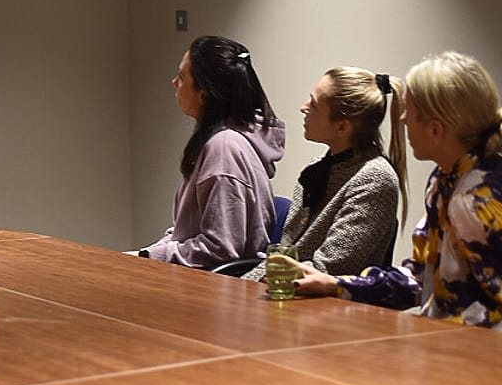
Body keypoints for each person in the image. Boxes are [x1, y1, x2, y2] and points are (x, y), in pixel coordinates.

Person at [291, 52, 502, 328]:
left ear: (435, 130)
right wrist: (336, 284)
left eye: (409, 113)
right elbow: (418, 279)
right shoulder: (444, 180)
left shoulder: (478, 200)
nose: (401, 119)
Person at [243, 67, 407, 282]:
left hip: (324, 304)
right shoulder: (317, 169)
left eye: (314, 104)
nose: (304, 108)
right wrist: (244, 284)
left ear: (342, 127)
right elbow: (284, 254)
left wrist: (250, 286)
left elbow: (329, 267)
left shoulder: (375, 179)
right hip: (286, 289)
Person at [136, 35, 285, 268]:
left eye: (182, 77)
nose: (174, 82)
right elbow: (185, 233)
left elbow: (220, 248)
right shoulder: (224, 141)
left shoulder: (224, 149)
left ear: (203, 94)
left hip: (214, 289)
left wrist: (149, 257)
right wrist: (146, 254)